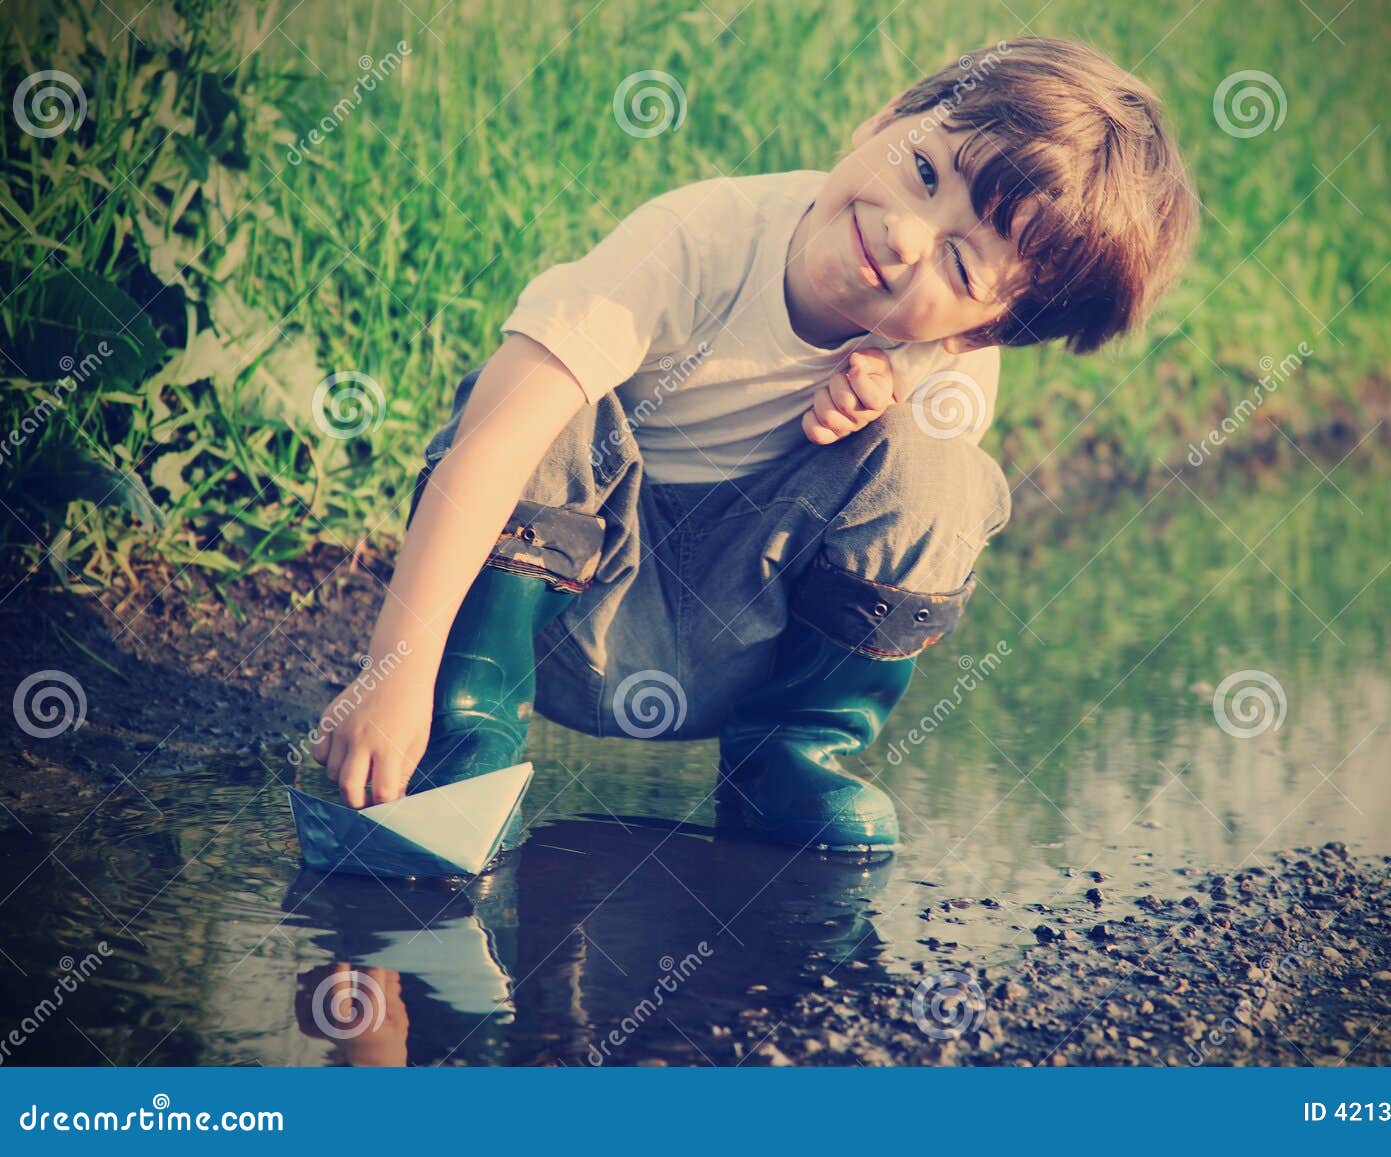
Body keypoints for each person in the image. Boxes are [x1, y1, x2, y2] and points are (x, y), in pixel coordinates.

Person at [310, 35, 1197, 852]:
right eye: (922, 169)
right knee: (545, 394)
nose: (906, 235)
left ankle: (791, 759)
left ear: (984, 332)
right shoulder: (699, 240)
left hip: (736, 649)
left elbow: (914, 498)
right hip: (551, 615)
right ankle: (465, 727)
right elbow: (494, 446)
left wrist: (892, 398)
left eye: (961, 268)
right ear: (883, 120)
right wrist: (397, 671)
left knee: (946, 473)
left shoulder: (949, 371)